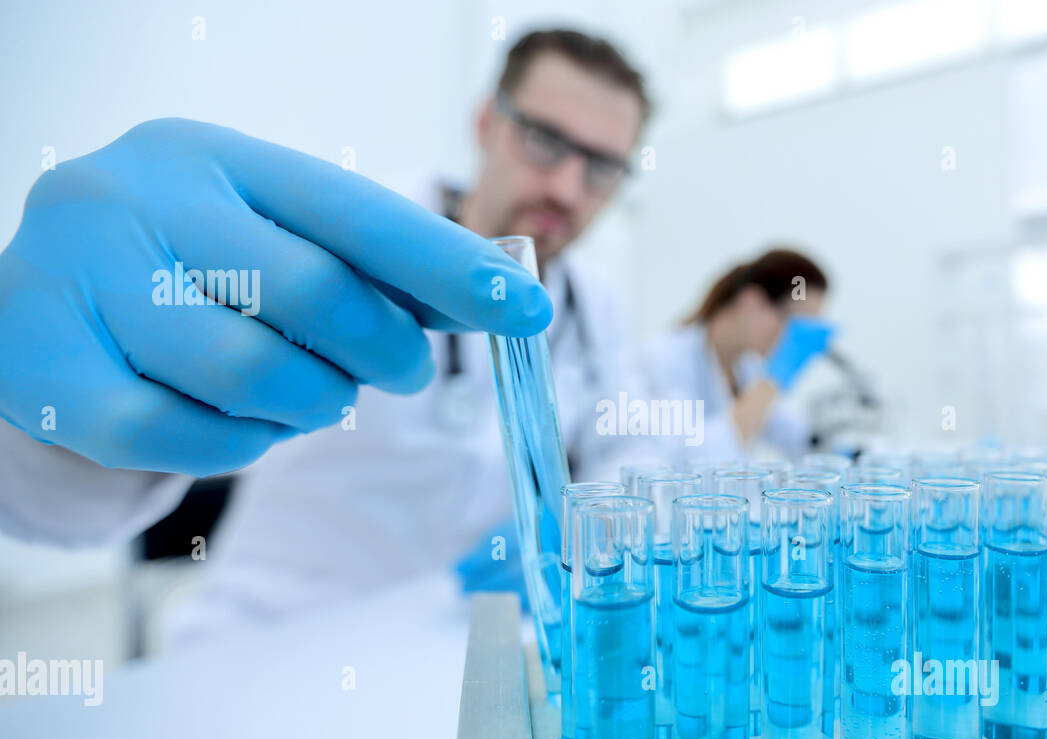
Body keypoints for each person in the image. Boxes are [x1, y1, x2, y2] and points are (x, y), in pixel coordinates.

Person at [0, 29, 655, 638]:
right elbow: (45, 508)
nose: (568, 188)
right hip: (276, 632)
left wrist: (580, 529)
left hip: (462, 638)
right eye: (545, 140)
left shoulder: (593, 305)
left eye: (601, 168)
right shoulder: (339, 243)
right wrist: (54, 402)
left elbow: (630, 451)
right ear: (486, 124)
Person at [642, 249, 834, 462]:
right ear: (751, 302)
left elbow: (795, 436)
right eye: (795, 324)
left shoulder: (747, 366)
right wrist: (772, 382)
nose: (793, 339)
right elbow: (692, 459)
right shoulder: (664, 359)